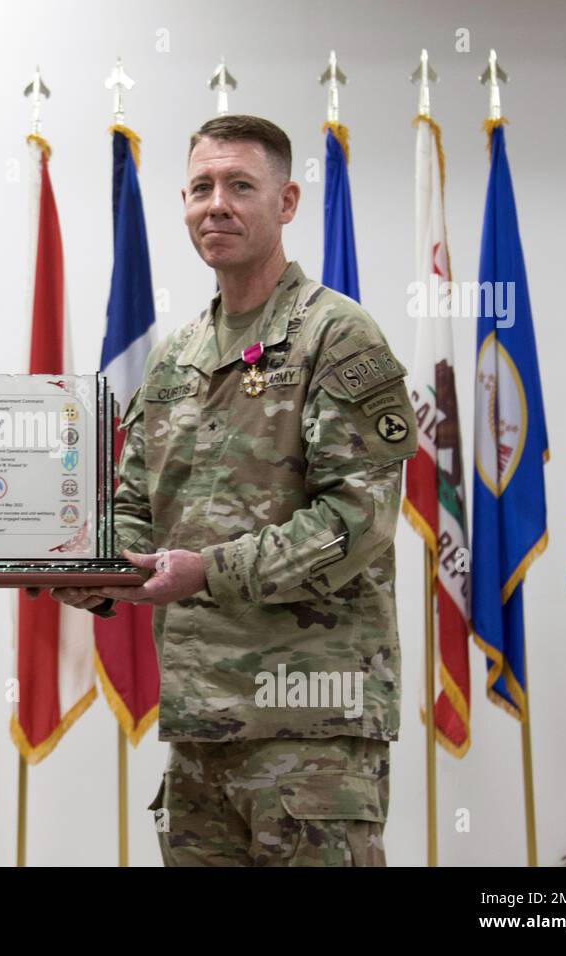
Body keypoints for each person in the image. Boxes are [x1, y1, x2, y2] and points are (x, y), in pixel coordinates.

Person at [51, 115, 417, 866]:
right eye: (200, 187)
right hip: (201, 725)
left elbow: (358, 521)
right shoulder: (177, 356)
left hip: (310, 724)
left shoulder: (338, 338)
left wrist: (205, 572)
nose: (215, 204)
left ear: (286, 203)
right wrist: (88, 567)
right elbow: (130, 508)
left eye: (240, 186)